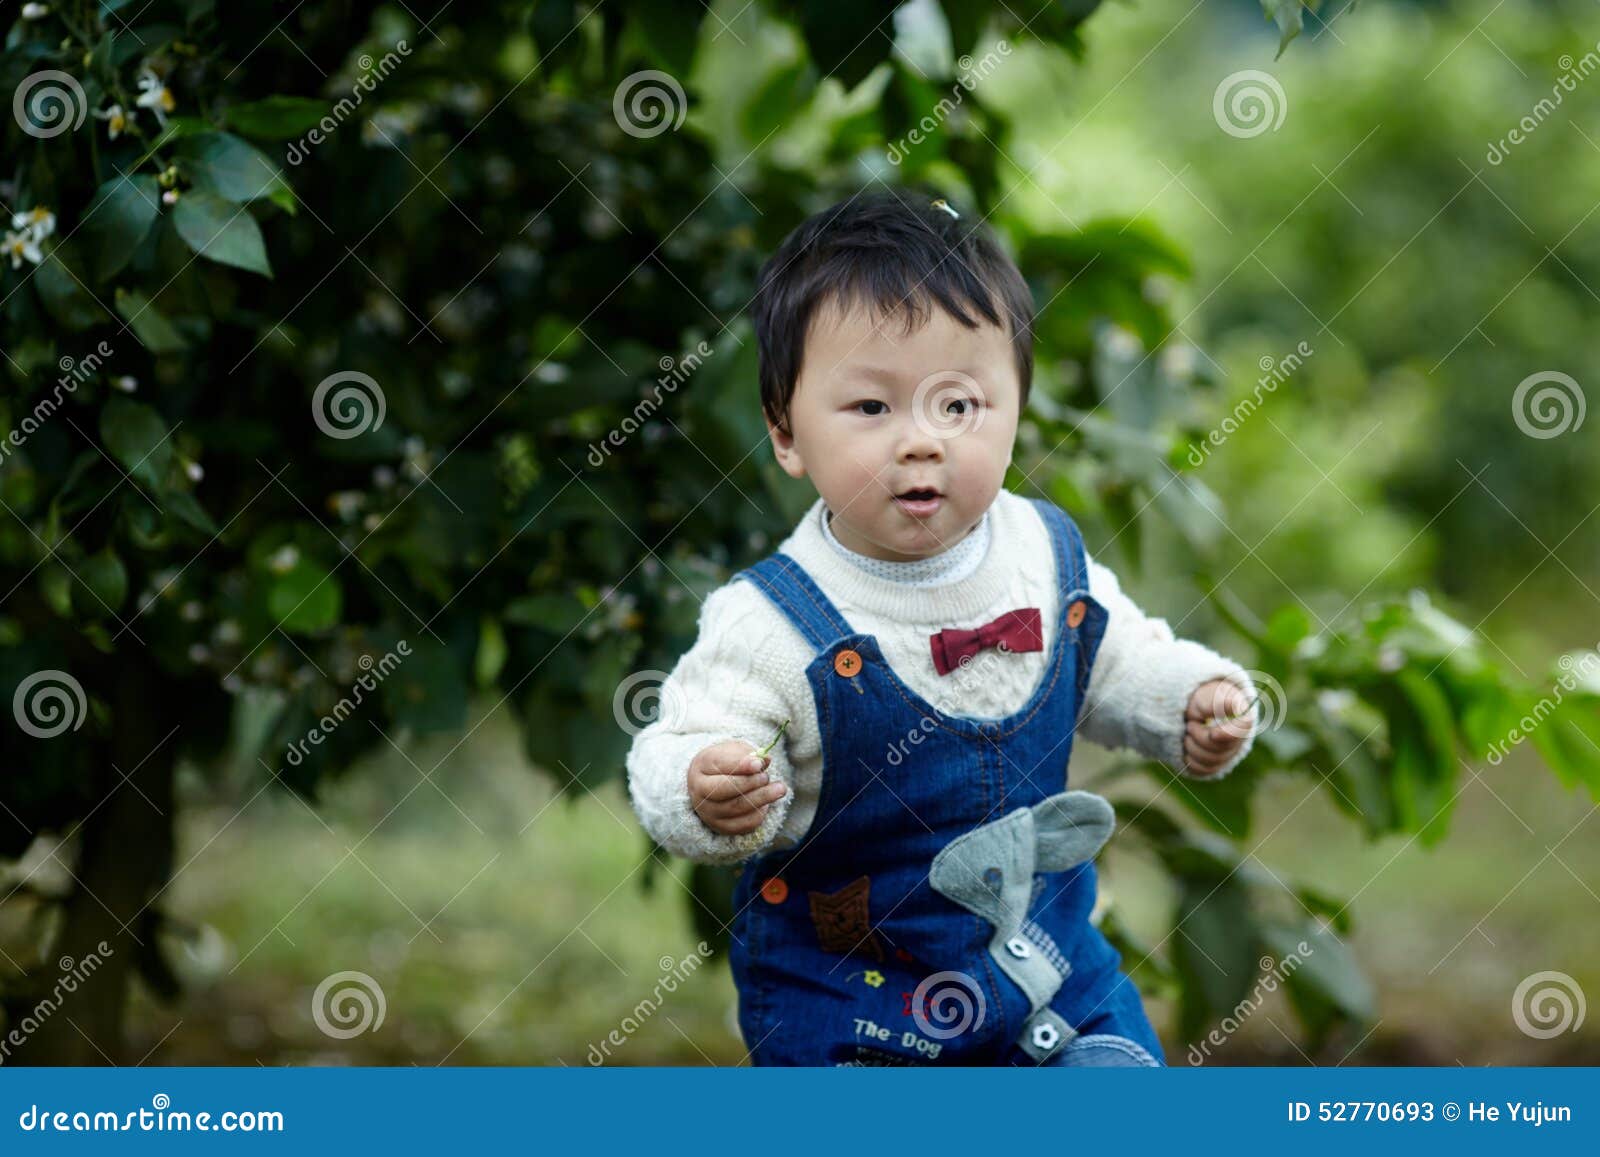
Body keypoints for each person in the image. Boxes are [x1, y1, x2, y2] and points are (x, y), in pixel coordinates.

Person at [625, 190, 1258, 1066]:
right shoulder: (769, 623)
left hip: (1053, 982)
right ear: (785, 431)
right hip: (857, 1007)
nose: (921, 441)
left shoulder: (1044, 552)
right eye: (872, 409)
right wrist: (701, 788)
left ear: (1017, 408)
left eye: (959, 406)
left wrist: (1188, 698)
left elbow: (1117, 661)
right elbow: (677, 741)